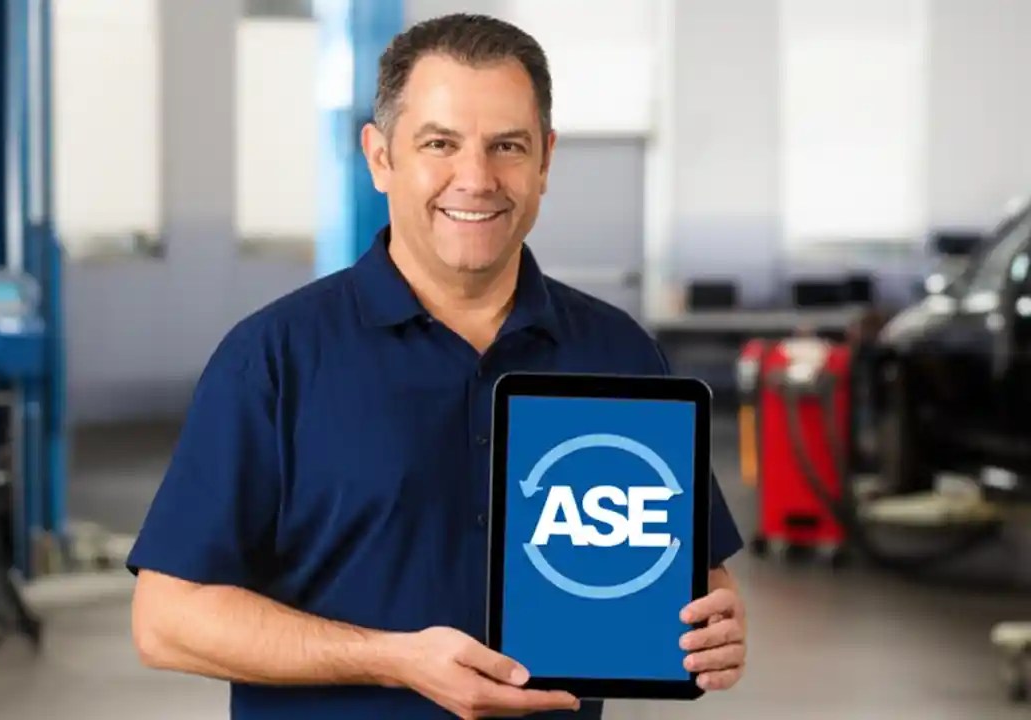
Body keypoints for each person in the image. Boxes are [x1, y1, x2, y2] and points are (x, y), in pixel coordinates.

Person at [128, 13, 747, 720]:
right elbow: (166, 619)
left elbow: (695, 577)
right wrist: (389, 659)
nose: (476, 179)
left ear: (545, 159)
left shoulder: (620, 355)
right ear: (380, 156)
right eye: (440, 144)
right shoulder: (274, 359)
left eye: (506, 146)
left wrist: (715, 625)